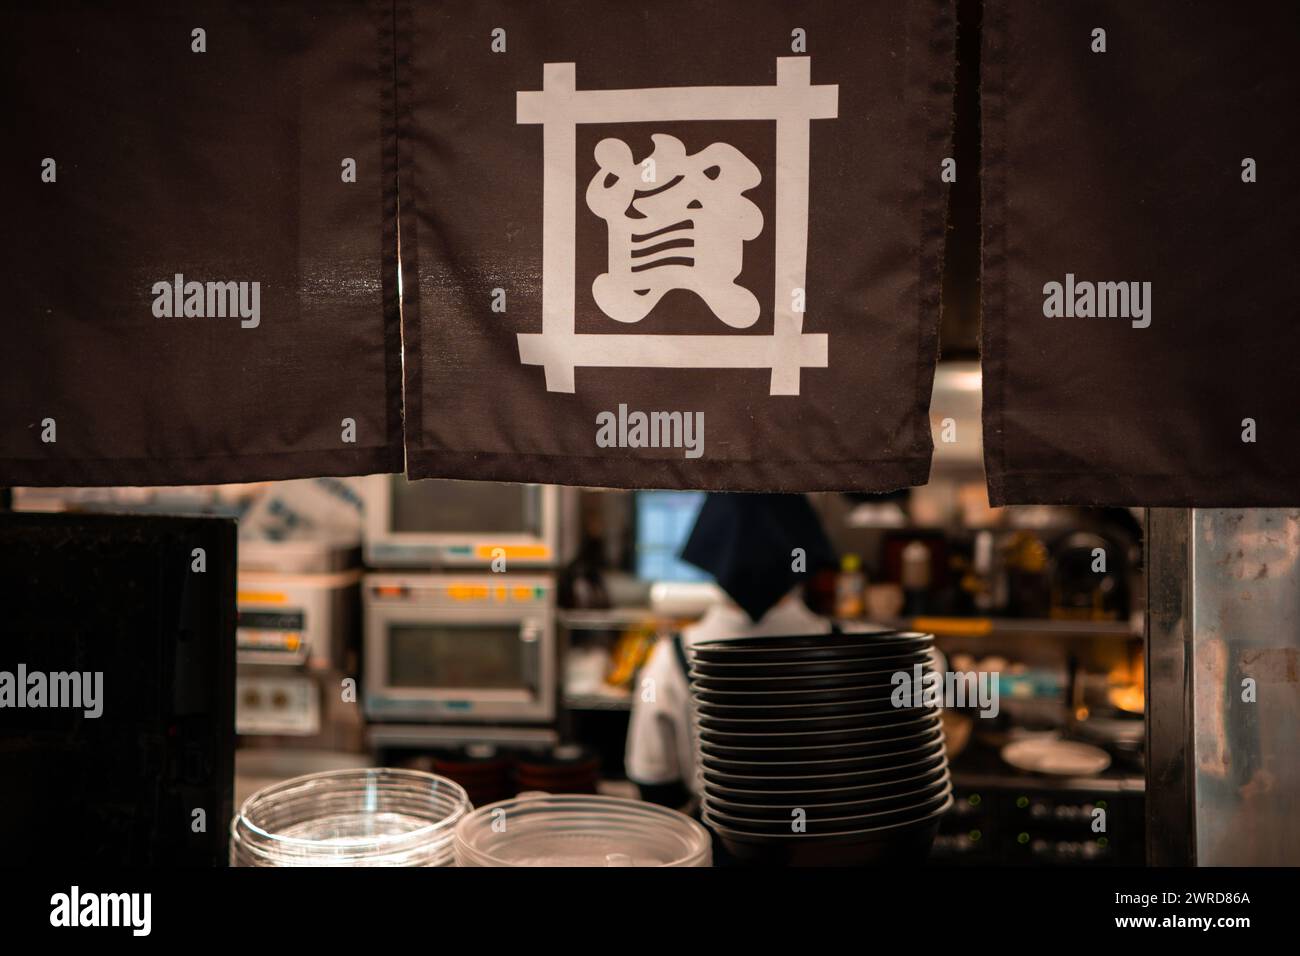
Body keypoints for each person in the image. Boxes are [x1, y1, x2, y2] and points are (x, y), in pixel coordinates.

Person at [625, 492, 839, 809]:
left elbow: (653, 781)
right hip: (827, 846)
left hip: (718, 847)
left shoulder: (671, 660)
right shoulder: (849, 652)